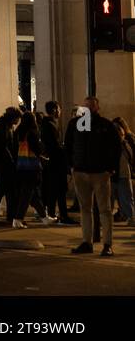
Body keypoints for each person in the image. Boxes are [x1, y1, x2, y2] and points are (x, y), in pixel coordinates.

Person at [64, 96, 121, 256]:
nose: (88, 109)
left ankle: (107, 244)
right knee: (86, 209)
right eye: (86, 106)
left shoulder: (105, 125)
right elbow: (68, 145)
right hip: (81, 171)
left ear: (97, 108)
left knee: (104, 210)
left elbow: (116, 147)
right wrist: (72, 166)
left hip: (99, 172)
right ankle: (87, 242)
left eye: (91, 106)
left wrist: (110, 169)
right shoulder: (75, 124)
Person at [9, 111, 51, 229]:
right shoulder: (32, 132)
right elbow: (37, 149)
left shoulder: (18, 131)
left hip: (21, 166)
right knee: (27, 194)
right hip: (32, 167)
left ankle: (44, 217)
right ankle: (17, 219)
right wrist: (43, 151)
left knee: (32, 195)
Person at [40, 101, 75, 225]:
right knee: (59, 190)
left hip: (53, 162)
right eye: (59, 109)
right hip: (56, 162)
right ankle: (62, 216)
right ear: (54, 110)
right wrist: (64, 150)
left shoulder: (48, 124)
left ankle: (53, 214)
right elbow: (54, 145)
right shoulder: (50, 125)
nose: (60, 111)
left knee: (55, 190)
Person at [115, 117, 135, 224]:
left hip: (124, 173)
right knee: (124, 196)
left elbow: (129, 158)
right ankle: (125, 214)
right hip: (122, 173)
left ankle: (130, 216)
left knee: (126, 196)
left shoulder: (125, 143)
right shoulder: (124, 144)